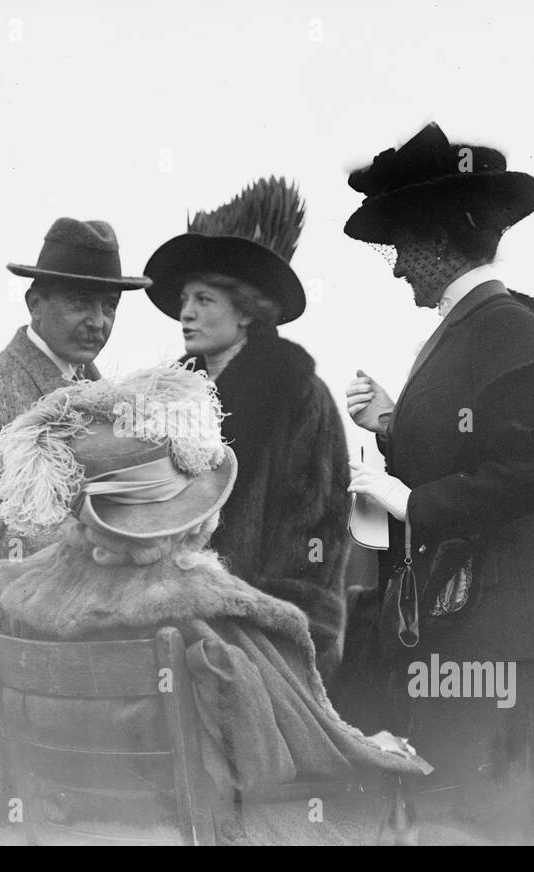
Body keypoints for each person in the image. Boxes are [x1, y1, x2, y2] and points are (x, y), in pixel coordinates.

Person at [0, 364, 428, 843]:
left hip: (70, 825)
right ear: (192, 518)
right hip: (200, 829)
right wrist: (377, 751)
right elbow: (263, 763)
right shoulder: (209, 617)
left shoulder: (18, 603)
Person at [335, 122, 534, 844]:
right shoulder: (472, 327)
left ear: (438, 239)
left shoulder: (505, 326)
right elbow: (474, 447)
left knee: (506, 829)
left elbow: (532, 474)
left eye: (399, 248)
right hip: (476, 638)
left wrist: (411, 502)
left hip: (509, 643)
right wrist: (394, 430)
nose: (395, 268)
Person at [0, 217, 150, 845]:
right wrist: (93, 545)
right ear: (35, 302)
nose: (98, 320)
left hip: (71, 662)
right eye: (81, 301)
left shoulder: (97, 391)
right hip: (3, 657)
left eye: (109, 304)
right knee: (6, 823)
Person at [142, 178, 351, 683]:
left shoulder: (299, 394)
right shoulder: (166, 396)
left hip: (259, 632)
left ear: (245, 312)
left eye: (205, 299)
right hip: (167, 620)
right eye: (186, 298)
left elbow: (316, 524)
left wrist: (270, 621)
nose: (186, 311)